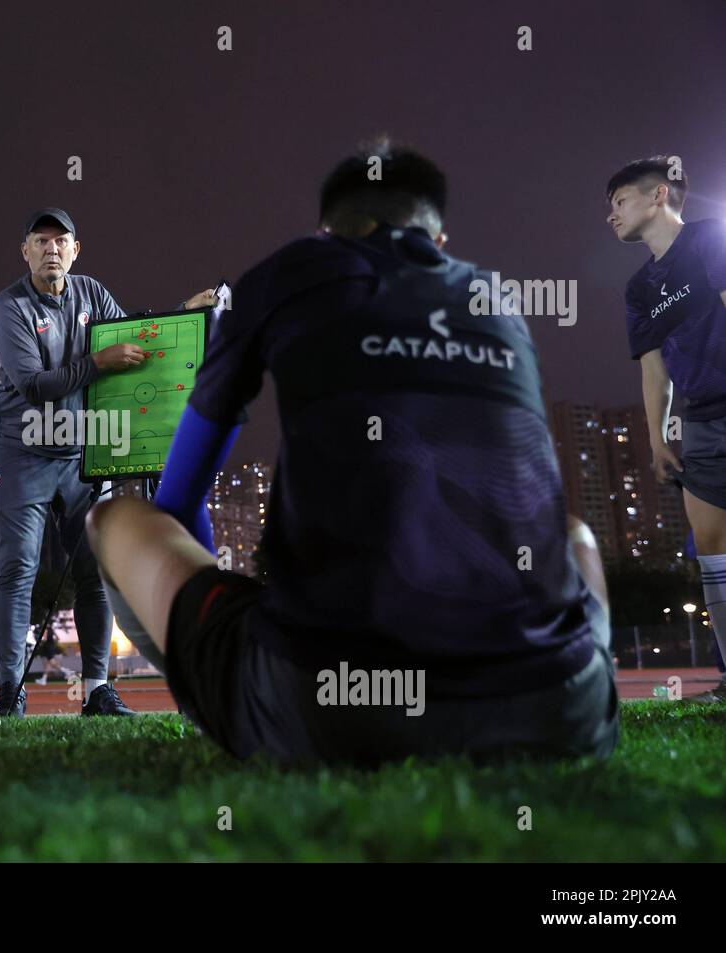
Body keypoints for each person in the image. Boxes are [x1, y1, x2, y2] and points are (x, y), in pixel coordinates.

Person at [87, 142, 619, 765]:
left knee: (116, 518)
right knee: (576, 534)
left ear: (325, 232)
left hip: (324, 712)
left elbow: (179, 498)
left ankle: (226, 697)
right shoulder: (496, 301)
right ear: (439, 239)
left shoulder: (289, 273)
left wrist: (223, 603)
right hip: (560, 711)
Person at [0, 206, 216, 716]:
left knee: (94, 573)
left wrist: (186, 312)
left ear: (75, 249)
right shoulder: (10, 306)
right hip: (21, 451)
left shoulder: (92, 293)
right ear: (24, 251)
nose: (51, 249)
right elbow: (34, 385)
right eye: (40, 241)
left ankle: (95, 690)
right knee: (18, 567)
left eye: (60, 240)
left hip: (84, 450)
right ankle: (9, 693)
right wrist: (95, 364)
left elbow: (129, 346)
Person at [608, 156, 726, 704]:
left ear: (657, 197)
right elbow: (652, 366)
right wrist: (657, 438)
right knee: (712, 547)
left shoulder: (709, 240)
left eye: (619, 201)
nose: (611, 215)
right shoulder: (638, 289)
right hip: (701, 423)